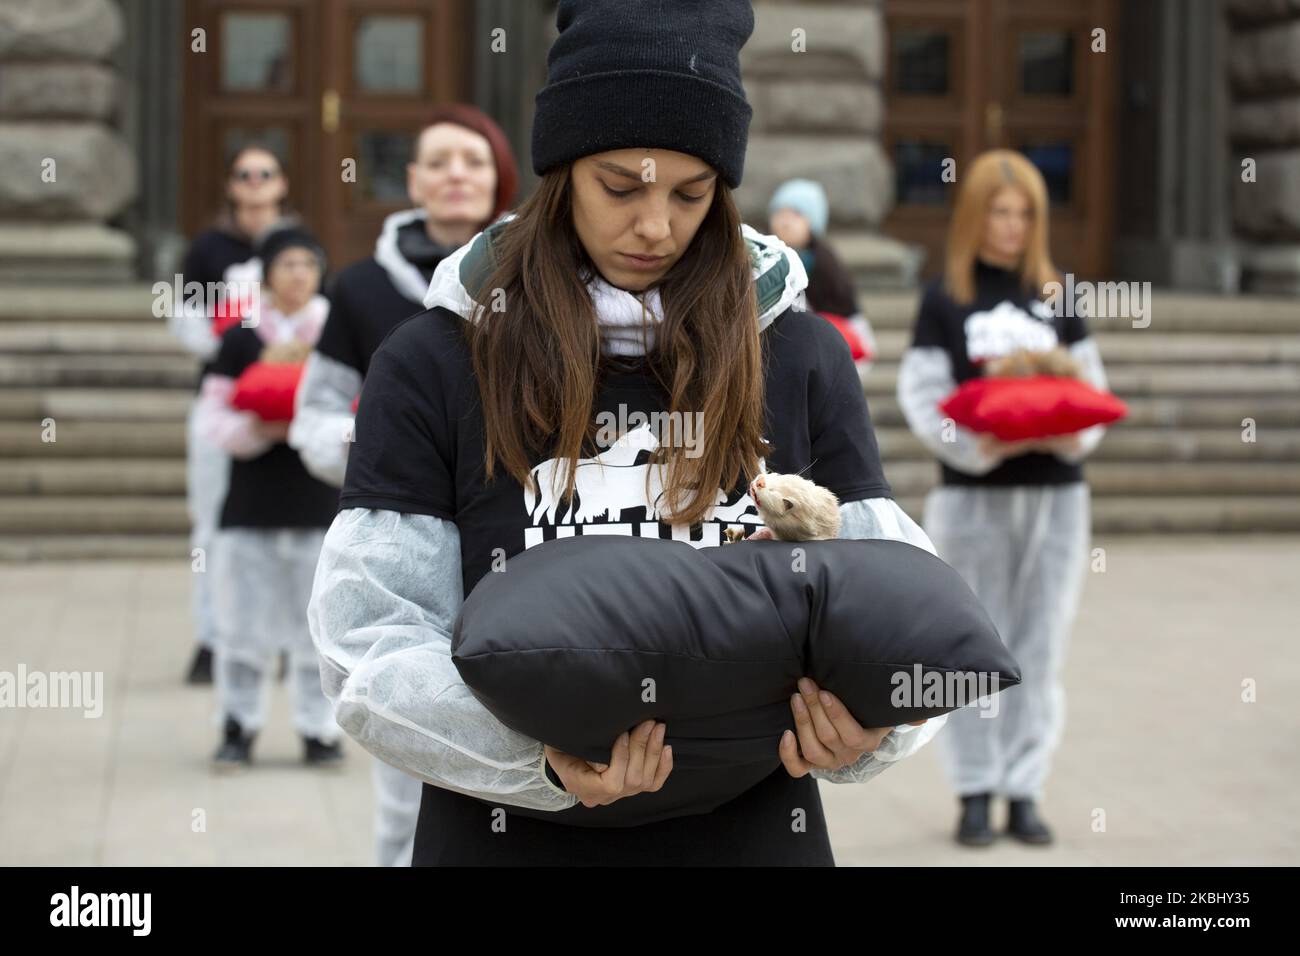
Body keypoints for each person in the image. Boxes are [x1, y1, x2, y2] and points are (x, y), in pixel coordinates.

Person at [308, 0, 945, 867]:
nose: (656, 226)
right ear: (561, 171)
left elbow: (894, 598)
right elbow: (369, 644)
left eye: (691, 193)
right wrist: (539, 758)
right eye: (620, 187)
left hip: (752, 838)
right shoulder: (439, 358)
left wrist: (871, 725)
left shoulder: (797, 354)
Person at [289, 104, 517, 867]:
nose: (456, 175)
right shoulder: (361, 289)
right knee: (408, 771)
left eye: (473, 162)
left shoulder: (537, 283)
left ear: (498, 179)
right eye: (439, 162)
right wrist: (385, 448)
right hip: (402, 549)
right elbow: (316, 411)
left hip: (510, 549)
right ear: (413, 179)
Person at [895, 149, 1111, 847]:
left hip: (1055, 501)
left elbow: (1092, 387)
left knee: (1040, 646)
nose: (1012, 226)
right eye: (999, 211)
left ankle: (1024, 789)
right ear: (974, 215)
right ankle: (974, 789)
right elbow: (923, 397)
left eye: (1024, 214)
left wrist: (1066, 434)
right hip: (973, 502)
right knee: (972, 644)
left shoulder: (1059, 296)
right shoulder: (945, 298)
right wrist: (980, 446)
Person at [195, 227, 341, 769]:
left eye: (308, 264)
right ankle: (238, 725)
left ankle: (318, 731)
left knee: (318, 626)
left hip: (318, 500)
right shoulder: (241, 337)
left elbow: (364, 407)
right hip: (250, 500)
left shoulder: (336, 334)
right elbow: (210, 415)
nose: (298, 275)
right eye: (287, 265)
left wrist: (310, 430)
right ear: (267, 275)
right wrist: (259, 429)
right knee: (241, 623)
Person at [173, 144, 295, 685]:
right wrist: (236, 342)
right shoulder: (208, 249)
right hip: (224, 404)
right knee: (213, 523)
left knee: (291, 527)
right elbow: (185, 318)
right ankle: (212, 636)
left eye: (265, 173)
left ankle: (287, 639)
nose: (254, 183)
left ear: (281, 183)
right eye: (244, 174)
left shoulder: (296, 245)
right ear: (230, 185)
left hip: (285, 408)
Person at [768, 177, 876, 372]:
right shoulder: (762, 261)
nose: (785, 221)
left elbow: (856, 330)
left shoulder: (827, 268)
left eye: (796, 214)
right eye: (779, 213)